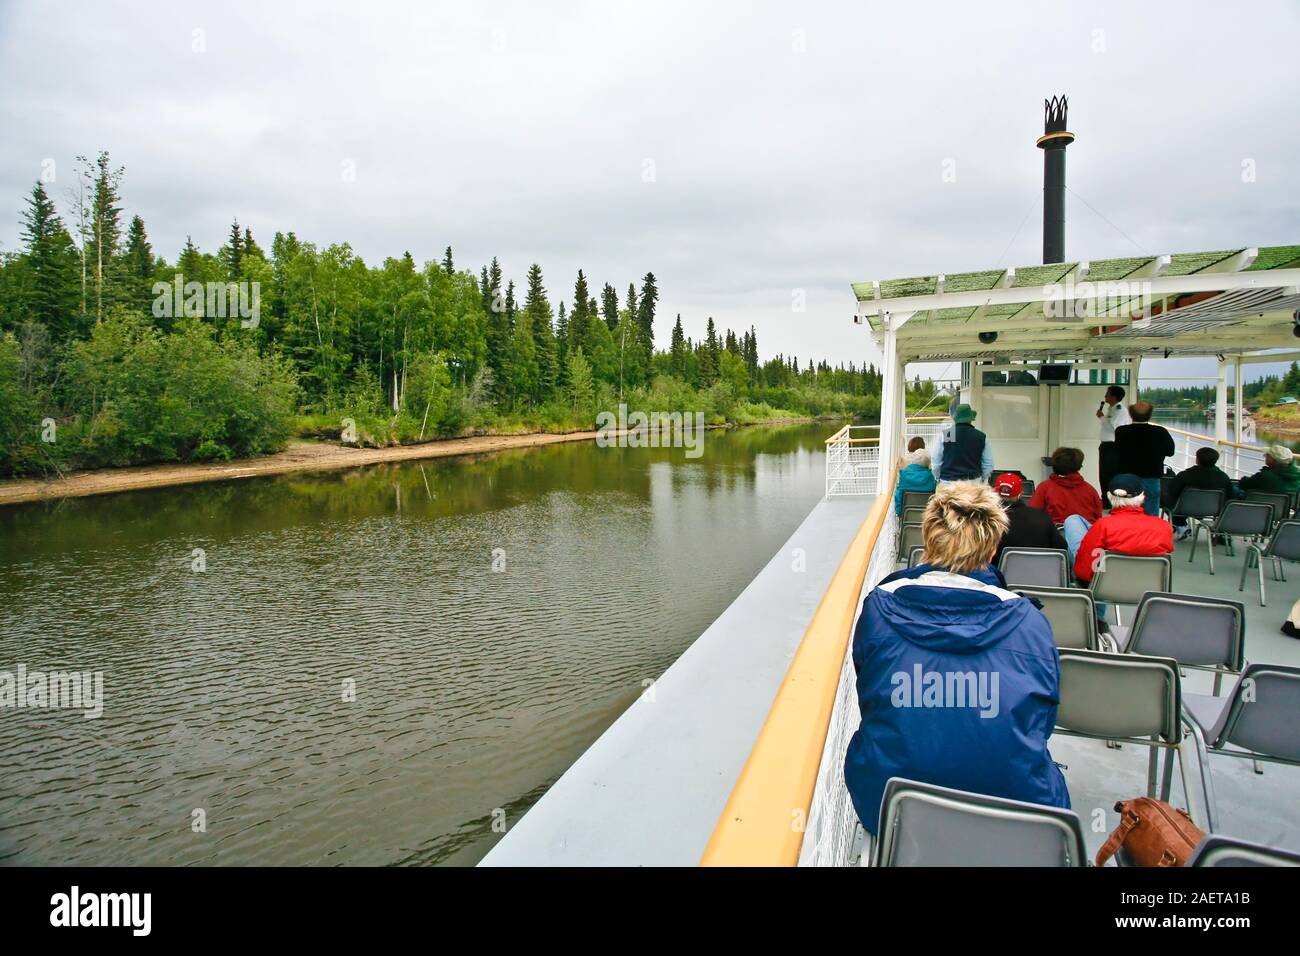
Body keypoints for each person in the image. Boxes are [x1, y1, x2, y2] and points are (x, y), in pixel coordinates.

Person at [843, 481, 1070, 834]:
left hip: (890, 808)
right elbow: (1043, 719)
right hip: (1014, 814)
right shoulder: (1029, 622)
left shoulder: (878, 609)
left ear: (929, 540)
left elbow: (871, 694)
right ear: (993, 547)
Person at [1065, 474, 1173, 616]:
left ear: (1110, 497)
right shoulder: (1163, 527)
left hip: (1106, 587)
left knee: (1074, 522)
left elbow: (1085, 571)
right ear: (1143, 497)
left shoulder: (1103, 525)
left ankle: (1097, 617)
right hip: (1148, 590)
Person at [1115, 401, 1175, 516]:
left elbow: (1116, 450)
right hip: (1152, 477)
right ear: (1150, 415)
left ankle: (1129, 533)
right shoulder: (1160, 432)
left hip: (1127, 478)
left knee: (1127, 511)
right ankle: (1150, 533)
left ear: (1131, 414)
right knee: (1151, 511)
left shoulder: (1121, 431)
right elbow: (1170, 452)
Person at [1166, 446, 1239, 540]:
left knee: (1168, 500)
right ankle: (1220, 534)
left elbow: (1172, 491)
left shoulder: (1185, 475)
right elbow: (1231, 496)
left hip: (1184, 509)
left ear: (1197, 459)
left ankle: (1180, 525)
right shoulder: (1223, 477)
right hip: (1212, 510)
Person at [992, 472, 1066, 564]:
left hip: (999, 576)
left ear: (994, 492)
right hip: (1041, 574)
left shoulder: (986, 520)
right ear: (1021, 493)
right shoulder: (1042, 516)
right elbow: (1061, 548)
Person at [1029, 447, 1104, 525]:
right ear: (1079, 466)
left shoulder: (1044, 488)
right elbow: (1098, 518)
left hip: (1055, 534)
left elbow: (1033, 516)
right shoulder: (1090, 490)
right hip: (1087, 534)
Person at [932, 404, 993, 483]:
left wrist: (937, 477)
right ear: (971, 419)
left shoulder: (948, 434)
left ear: (955, 418)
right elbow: (988, 464)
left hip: (948, 482)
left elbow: (936, 461)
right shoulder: (981, 436)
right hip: (972, 483)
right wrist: (982, 479)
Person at [1096, 385, 1130, 498]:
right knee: (1104, 474)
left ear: (1114, 397)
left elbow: (1114, 427)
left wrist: (1101, 418)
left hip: (1112, 447)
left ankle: (1111, 501)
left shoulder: (1119, 410)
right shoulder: (1112, 409)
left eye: (1107, 394)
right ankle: (1106, 500)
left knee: (1109, 474)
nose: (1105, 396)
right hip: (1106, 446)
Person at [894, 447, 938, 516]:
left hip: (907, 519)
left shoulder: (904, 476)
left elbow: (898, 497)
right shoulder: (931, 479)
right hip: (926, 518)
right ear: (927, 463)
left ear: (913, 460)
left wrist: (899, 512)